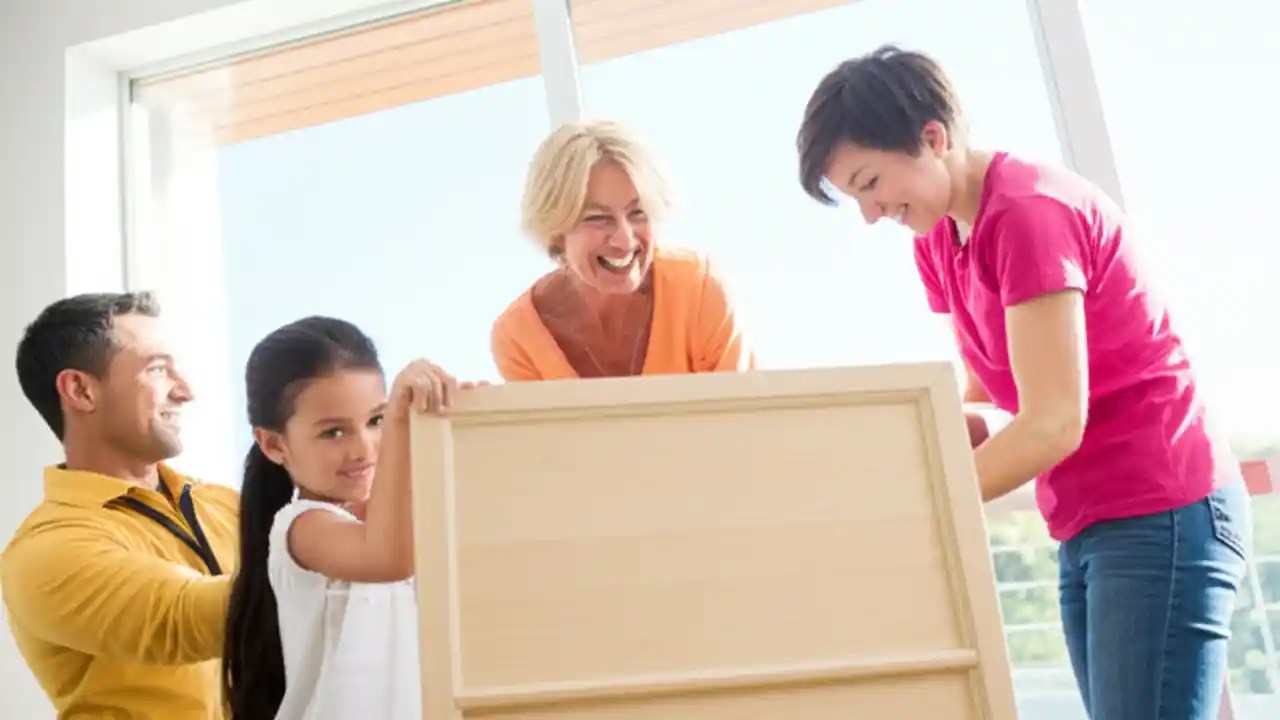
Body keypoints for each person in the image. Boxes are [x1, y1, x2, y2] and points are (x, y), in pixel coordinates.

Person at [796, 45, 1251, 719]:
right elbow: (986, 395)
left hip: (1162, 506)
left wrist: (914, 505)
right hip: (1088, 518)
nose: (869, 213)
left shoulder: (1029, 213)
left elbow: (1051, 422)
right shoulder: (937, 239)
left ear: (932, 138)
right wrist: (879, 452)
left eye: (869, 183)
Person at [222, 316, 478, 719]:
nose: (365, 449)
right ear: (274, 445)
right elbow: (387, 559)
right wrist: (399, 423)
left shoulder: (395, 519)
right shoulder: (301, 526)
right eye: (334, 433)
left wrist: (462, 423)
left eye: (376, 421)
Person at [2, 292, 239, 719]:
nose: (185, 392)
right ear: (80, 390)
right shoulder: (46, 551)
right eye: (157, 369)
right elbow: (186, 618)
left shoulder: (224, 504)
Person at [491, 119, 754, 380]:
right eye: (597, 218)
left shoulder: (700, 291)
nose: (625, 241)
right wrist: (474, 402)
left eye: (638, 213)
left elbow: (737, 406)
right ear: (556, 230)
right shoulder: (518, 338)